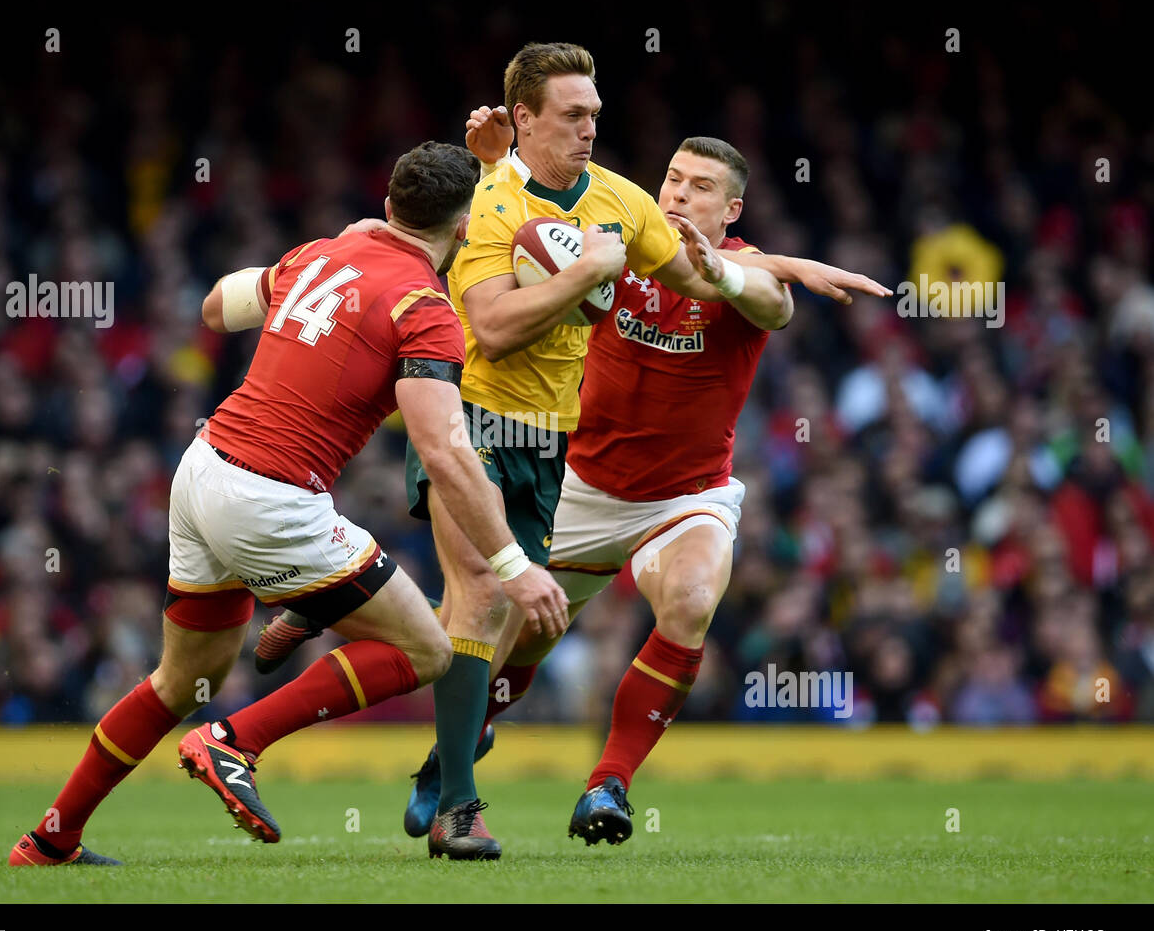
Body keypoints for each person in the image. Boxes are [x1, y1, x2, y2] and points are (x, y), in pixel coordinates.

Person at [259, 44, 890, 860]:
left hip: (683, 495)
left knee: (689, 600)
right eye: (673, 180)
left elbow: (773, 305)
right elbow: (518, 238)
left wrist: (755, 272)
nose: (679, 194)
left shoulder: (730, 273)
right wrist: (497, 165)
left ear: (733, 212)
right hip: (580, 480)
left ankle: (608, 782)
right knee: (498, 634)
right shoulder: (613, 235)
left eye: (701, 189)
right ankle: (439, 740)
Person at [8, 141, 567, 866]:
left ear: (390, 205)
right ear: (463, 231)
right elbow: (446, 450)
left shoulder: (315, 255)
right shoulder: (425, 308)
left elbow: (213, 307)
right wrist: (512, 562)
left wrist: (340, 250)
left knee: (183, 678)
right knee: (426, 647)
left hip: (202, 469)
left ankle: (50, 838)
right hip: (273, 497)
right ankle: (235, 739)